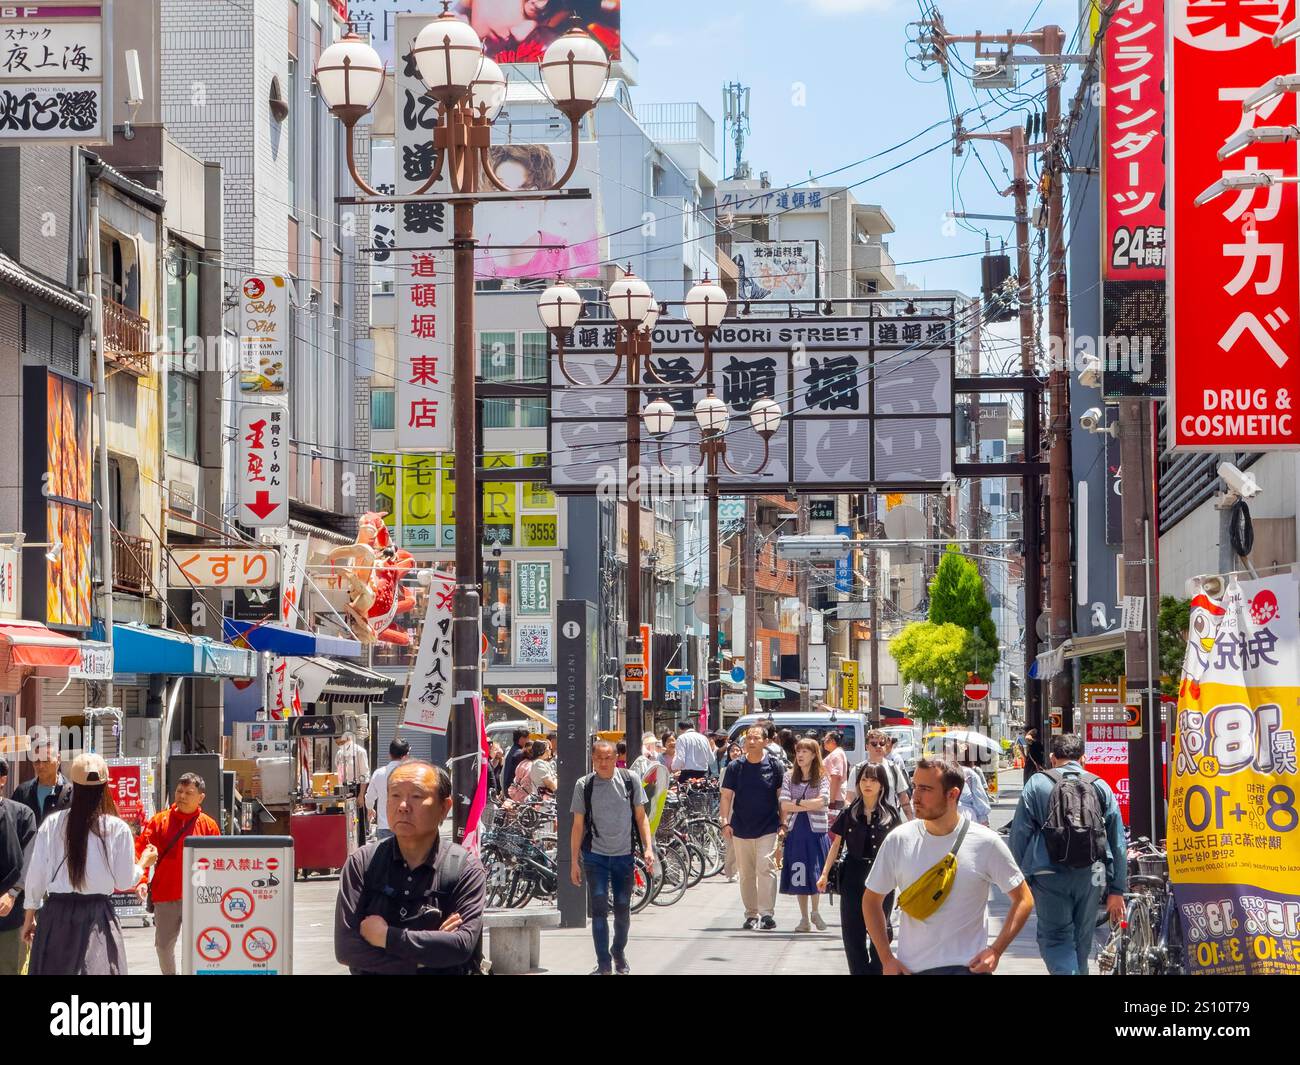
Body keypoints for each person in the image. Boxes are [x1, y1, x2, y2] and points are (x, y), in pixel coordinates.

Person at [863, 758, 1034, 975]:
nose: (915, 796)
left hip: (967, 968)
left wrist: (996, 951)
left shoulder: (985, 842)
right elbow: (871, 900)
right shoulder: (899, 839)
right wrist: (886, 958)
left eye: (925, 789)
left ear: (952, 794)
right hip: (912, 969)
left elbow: (1024, 899)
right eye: (915, 786)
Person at [335, 761, 486, 975]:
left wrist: (385, 937)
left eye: (416, 796)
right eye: (394, 795)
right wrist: (424, 959)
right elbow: (347, 949)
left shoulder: (465, 868)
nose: (403, 805)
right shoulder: (363, 863)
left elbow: (461, 945)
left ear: (444, 807)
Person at [22, 753, 158, 975]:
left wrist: (30, 917)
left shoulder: (53, 824)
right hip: (97, 917)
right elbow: (124, 881)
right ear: (106, 786)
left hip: (57, 915)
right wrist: (143, 862)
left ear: (73, 784)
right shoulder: (116, 828)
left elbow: (36, 873)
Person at [1009, 734, 1127, 976]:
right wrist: (1117, 889)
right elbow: (1117, 842)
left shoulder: (1037, 784)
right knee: (1081, 941)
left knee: (1055, 939)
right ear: (1083, 758)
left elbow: (1019, 833)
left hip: (1047, 873)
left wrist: (1018, 879)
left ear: (1053, 758)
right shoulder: (1100, 785)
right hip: (1092, 874)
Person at [570, 740, 655, 975]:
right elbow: (577, 826)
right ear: (593, 759)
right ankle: (604, 963)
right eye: (599, 758)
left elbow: (641, 817)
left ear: (616, 757)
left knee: (622, 910)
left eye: (608, 758)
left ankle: (618, 951)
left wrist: (648, 848)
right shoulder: (584, 785)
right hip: (594, 855)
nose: (604, 763)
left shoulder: (630, 780)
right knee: (598, 909)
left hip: (623, 855)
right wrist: (573, 861)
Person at [818, 761, 903, 974]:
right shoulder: (849, 813)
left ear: (882, 785)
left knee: (881, 931)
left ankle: (876, 970)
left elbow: (900, 850)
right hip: (853, 875)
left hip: (882, 877)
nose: (868, 784)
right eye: (864, 779)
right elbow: (836, 845)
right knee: (852, 932)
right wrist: (824, 873)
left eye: (873, 779)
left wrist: (905, 882)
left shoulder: (891, 814)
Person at [133, 772, 221, 975]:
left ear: (201, 797)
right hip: (166, 895)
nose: (182, 796)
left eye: (189, 792)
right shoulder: (159, 822)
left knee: (200, 946)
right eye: (179, 791)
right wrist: (142, 881)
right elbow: (142, 852)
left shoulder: (209, 825)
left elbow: (218, 861)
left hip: (200, 898)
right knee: (163, 947)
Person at [720, 724, 785, 931]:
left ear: (766, 742)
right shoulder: (735, 767)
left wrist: (783, 823)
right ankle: (751, 913)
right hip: (740, 827)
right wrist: (725, 821)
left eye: (757, 738)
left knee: (765, 868)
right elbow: (727, 796)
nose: (752, 741)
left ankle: (767, 914)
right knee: (747, 873)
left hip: (768, 826)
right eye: (749, 738)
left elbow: (781, 798)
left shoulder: (775, 766)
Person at [779, 738, 831, 932]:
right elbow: (784, 804)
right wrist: (808, 803)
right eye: (799, 751)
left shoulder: (822, 776)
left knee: (815, 871)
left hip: (816, 831)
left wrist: (798, 803)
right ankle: (803, 918)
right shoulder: (788, 776)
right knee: (799, 872)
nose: (800, 755)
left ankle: (815, 911)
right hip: (796, 830)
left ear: (814, 755)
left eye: (806, 752)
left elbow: (823, 801)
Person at [0, 760, 37, 975]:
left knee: (10, 968)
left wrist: (13, 893)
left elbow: (31, 859)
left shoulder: (22, 814)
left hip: (10, 913)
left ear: (3, 779)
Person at [853, 729, 914, 819]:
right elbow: (849, 798)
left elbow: (903, 797)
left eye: (882, 744)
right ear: (867, 747)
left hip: (889, 821)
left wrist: (910, 820)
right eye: (874, 744)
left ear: (886, 746)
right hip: (863, 821)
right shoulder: (858, 769)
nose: (878, 746)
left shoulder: (894, 768)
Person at [11, 742, 70, 824]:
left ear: (58, 759)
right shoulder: (22, 792)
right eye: (36, 760)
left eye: (46, 760)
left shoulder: (70, 794)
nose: (40, 765)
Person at [366, 738, 412, 841]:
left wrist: (370, 808)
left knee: (386, 856)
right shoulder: (411, 774)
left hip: (384, 826)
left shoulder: (379, 773)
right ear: (406, 756)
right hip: (407, 825)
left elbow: (369, 796)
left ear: (389, 754)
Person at [335, 732, 372, 845]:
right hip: (342, 789)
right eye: (337, 742)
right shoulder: (340, 753)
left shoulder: (360, 752)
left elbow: (364, 776)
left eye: (340, 741)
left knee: (357, 821)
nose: (339, 744)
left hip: (356, 789)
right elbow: (338, 772)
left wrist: (361, 795)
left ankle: (360, 847)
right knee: (344, 821)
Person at [954, 745, 992, 827]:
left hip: (967, 818)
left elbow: (980, 795)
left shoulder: (971, 772)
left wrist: (983, 819)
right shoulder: (941, 774)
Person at [822, 731, 849, 813]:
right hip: (835, 796)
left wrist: (831, 801)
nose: (823, 742)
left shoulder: (836, 754)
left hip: (835, 798)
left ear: (833, 741)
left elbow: (836, 777)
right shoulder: (836, 753)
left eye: (826, 739)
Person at [502, 728, 531, 799]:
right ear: (521, 739)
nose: (529, 740)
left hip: (508, 789)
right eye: (527, 738)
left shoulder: (513, 750)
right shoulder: (519, 753)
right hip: (513, 792)